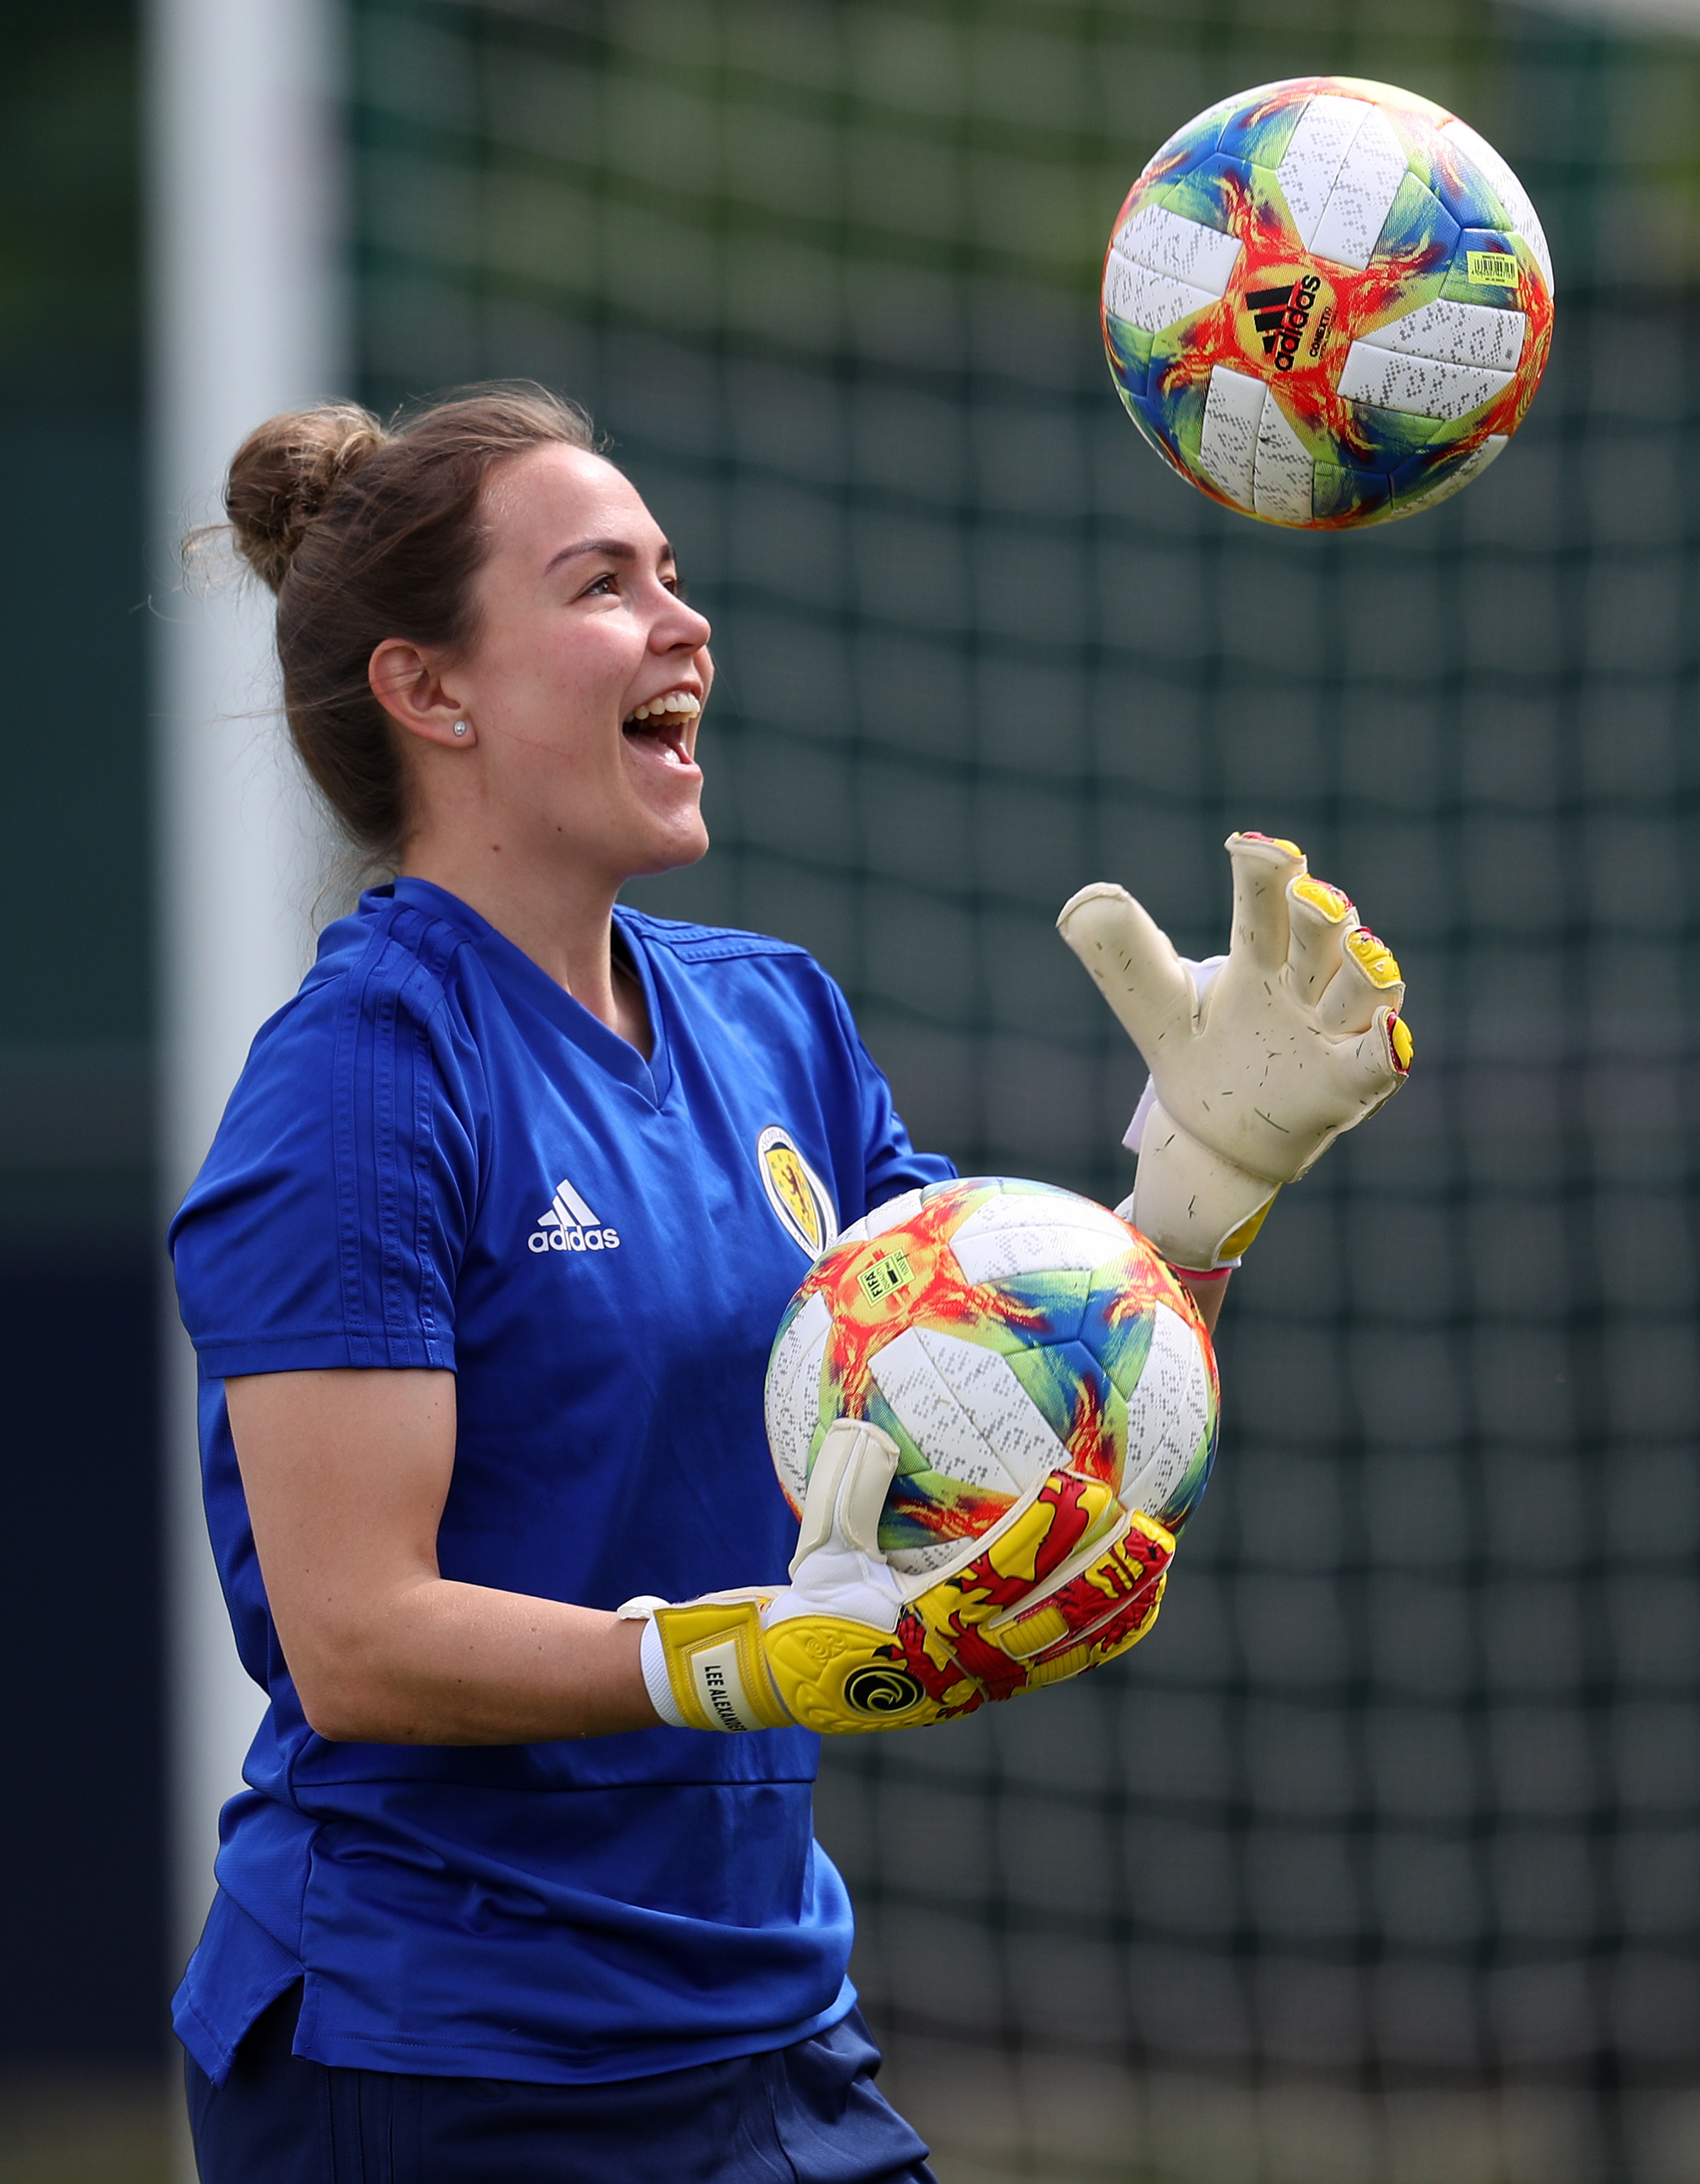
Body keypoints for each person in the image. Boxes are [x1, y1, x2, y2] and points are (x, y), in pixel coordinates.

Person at [169, 385, 1409, 2181]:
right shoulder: (365, 1072)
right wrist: (735, 1661)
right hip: (442, 2046)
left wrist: (1194, 1196)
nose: (683, 623)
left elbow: (1026, 1428)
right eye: (603, 585)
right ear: (430, 692)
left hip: (761, 2020)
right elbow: (356, 1639)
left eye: (670, 572)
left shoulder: (773, 1018)